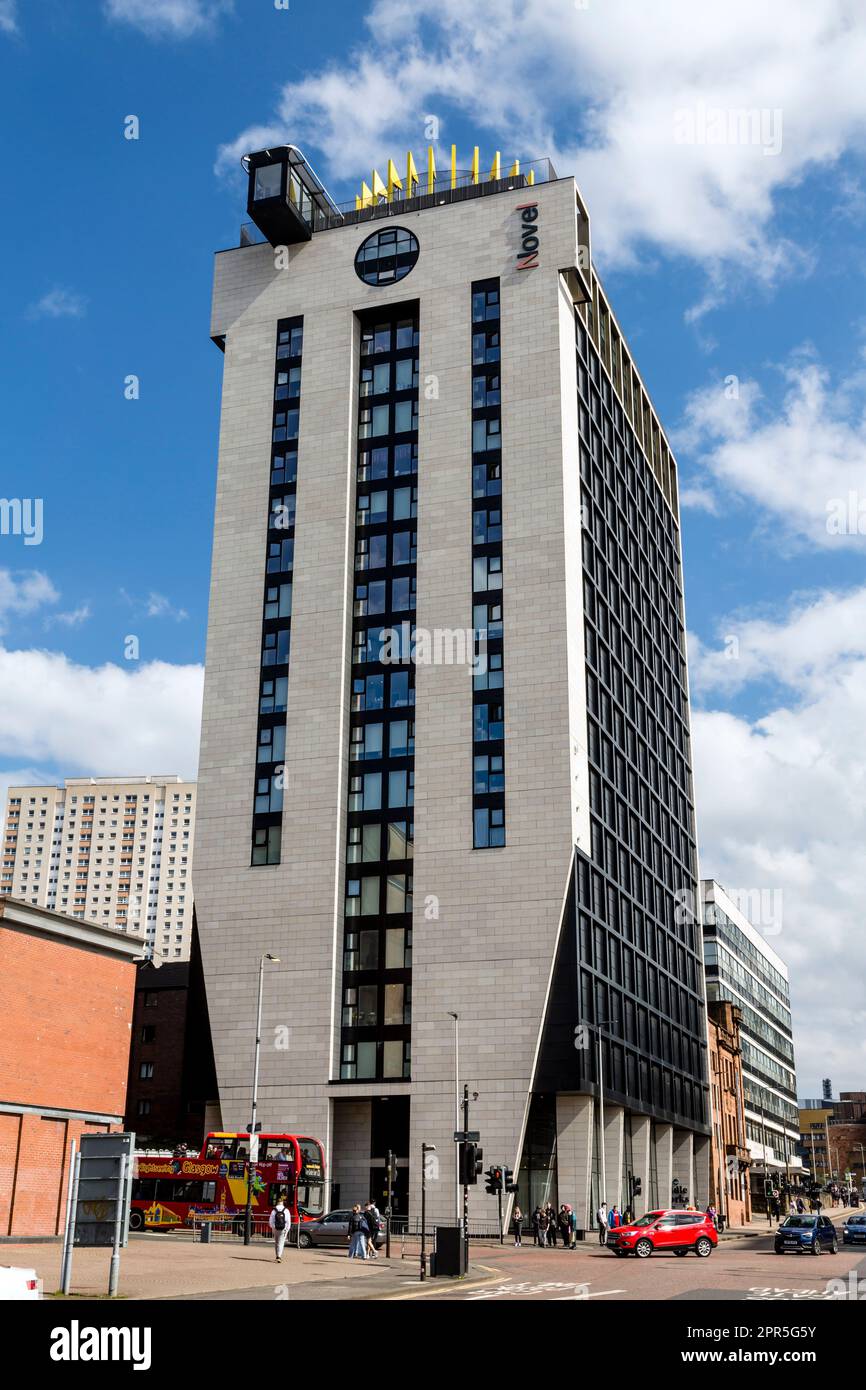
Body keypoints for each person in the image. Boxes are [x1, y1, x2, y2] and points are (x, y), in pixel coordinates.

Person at [269, 1192, 290, 1263]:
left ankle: (277, 1255)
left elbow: (271, 1221)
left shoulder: (274, 1210)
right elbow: (288, 1221)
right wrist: (287, 1229)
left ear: (277, 1202)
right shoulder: (286, 1210)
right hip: (283, 1229)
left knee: (276, 1242)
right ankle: (279, 1256)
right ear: (282, 1202)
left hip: (275, 1228)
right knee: (281, 1242)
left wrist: (273, 1227)